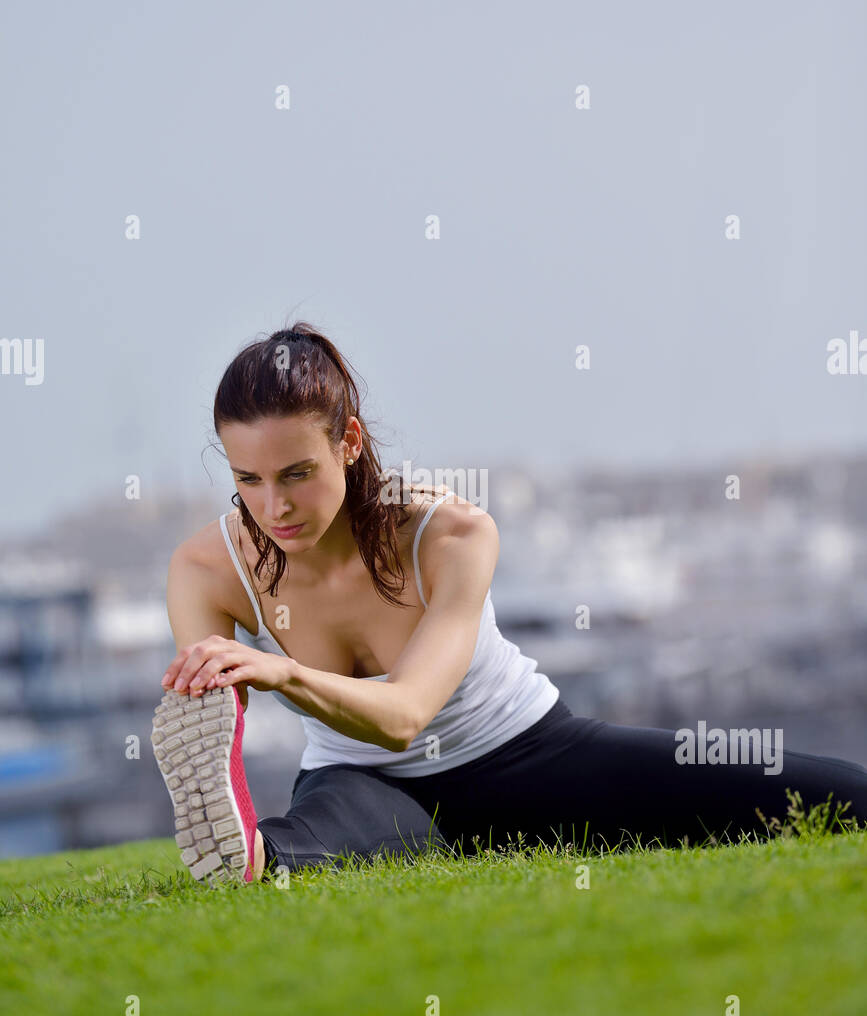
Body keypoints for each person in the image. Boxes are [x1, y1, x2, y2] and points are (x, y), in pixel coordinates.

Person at [151, 323, 867, 884]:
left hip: (526, 756)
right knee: (309, 839)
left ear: (348, 442)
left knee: (836, 798)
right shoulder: (205, 569)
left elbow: (403, 715)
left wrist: (279, 671)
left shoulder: (451, 533)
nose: (272, 506)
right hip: (363, 780)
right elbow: (217, 726)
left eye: (296, 473)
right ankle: (259, 856)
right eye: (247, 478)